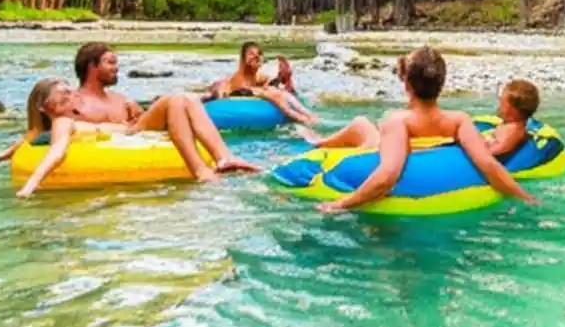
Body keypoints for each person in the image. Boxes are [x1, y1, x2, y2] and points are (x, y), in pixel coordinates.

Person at [11, 43, 263, 197]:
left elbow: (144, 123)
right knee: (177, 99)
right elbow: (43, 130)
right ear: (91, 66)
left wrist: (136, 111)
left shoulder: (120, 98)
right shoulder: (72, 101)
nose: (116, 68)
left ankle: (223, 158)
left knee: (182, 99)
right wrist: (21, 155)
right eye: (110, 62)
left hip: (135, 131)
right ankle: (203, 168)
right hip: (120, 138)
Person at [307, 47, 540, 213]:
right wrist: (525, 197)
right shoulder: (459, 120)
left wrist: (341, 204)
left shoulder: (396, 121)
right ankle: (320, 142)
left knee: (361, 123)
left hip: (383, 148)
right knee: (362, 126)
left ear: (406, 83)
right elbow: (489, 166)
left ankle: (318, 144)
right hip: (422, 144)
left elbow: (387, 176)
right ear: (441, 84)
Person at [206, 41, 318, 124]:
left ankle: (308, 114)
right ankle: (298, 117)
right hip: (234, 96)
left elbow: (270, 81)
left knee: (278, 91)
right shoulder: (240, 76)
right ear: (243, 59)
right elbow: (241, 89)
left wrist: (283, 79)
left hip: (246, 92)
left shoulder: (257, 75)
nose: (256, 56)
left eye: (259, 53)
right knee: (270, 92)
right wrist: (265, 89)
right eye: (251, 54)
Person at [487, 79, 540, 157]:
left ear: (512, 111)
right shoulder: (515, 126)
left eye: (502, 103)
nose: (499, 106)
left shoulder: (513, 130)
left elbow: (495, 150)